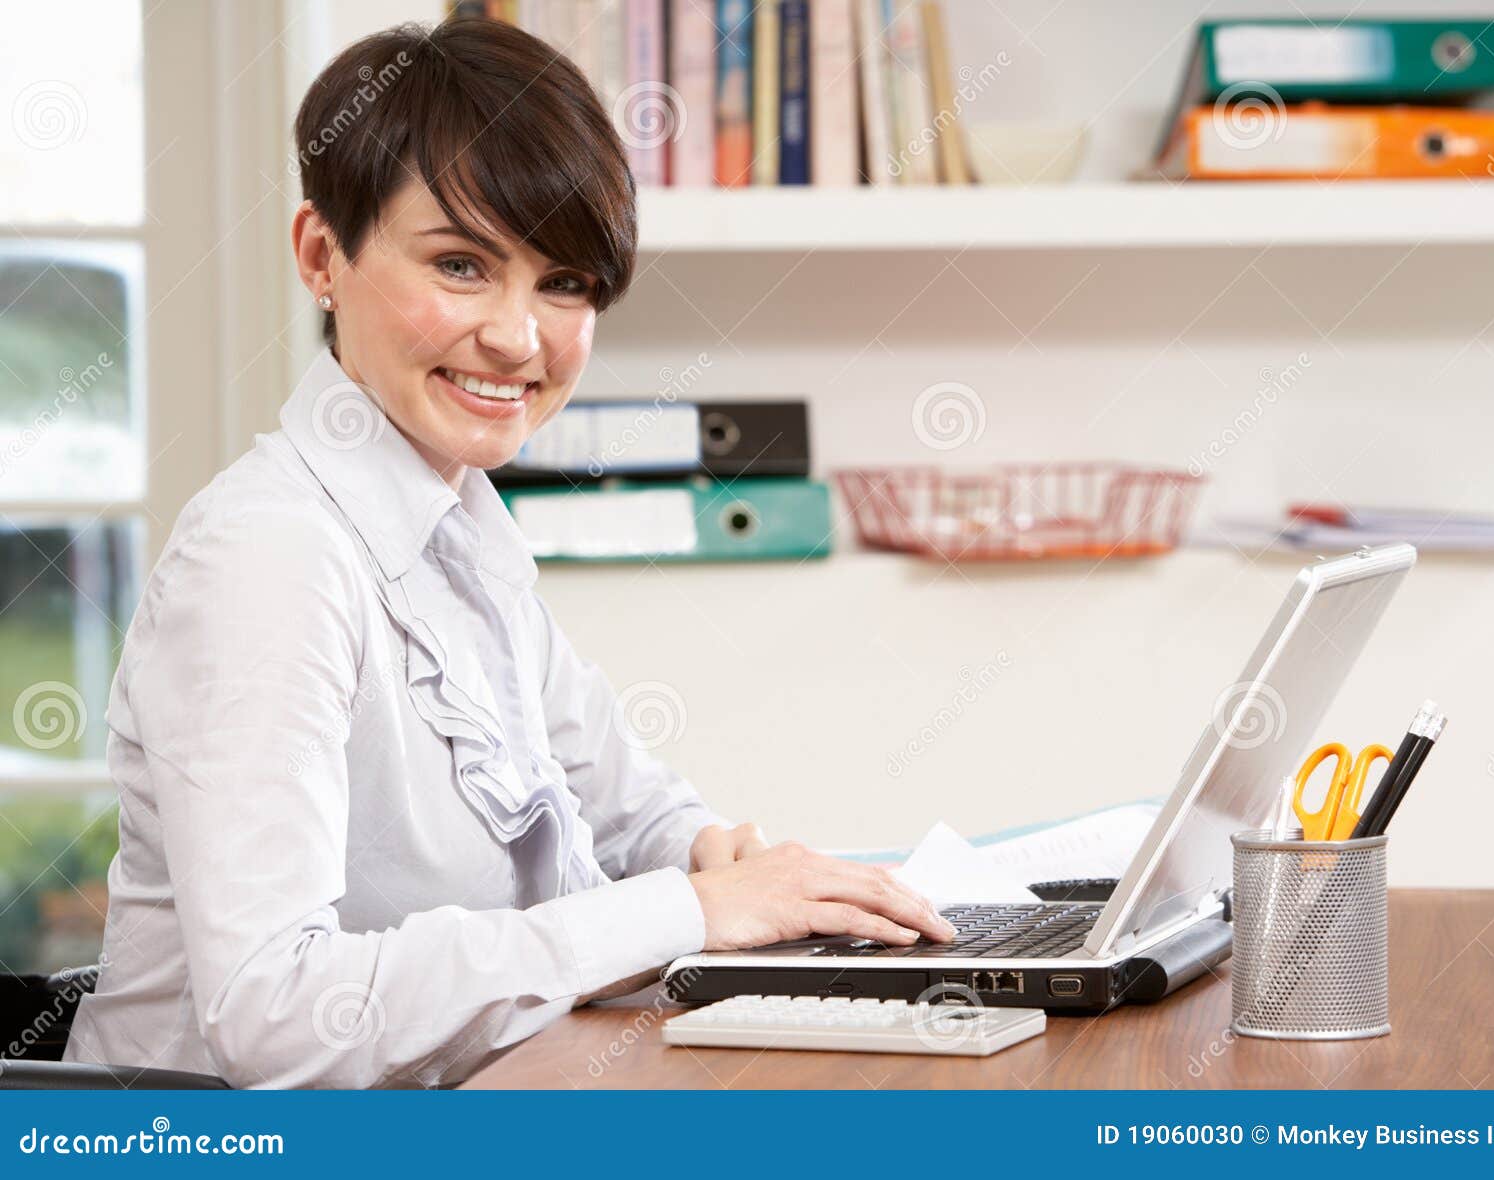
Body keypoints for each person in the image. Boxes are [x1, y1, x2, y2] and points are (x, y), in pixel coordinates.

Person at [64, 18, 952, 1089]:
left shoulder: (462, 525)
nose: (519, 339)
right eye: (459, 265)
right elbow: (276, 1010)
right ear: (320, 256)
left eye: (564, 282)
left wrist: (713, 855)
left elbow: (625, 803)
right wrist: (690, 908)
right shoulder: (268, 559)